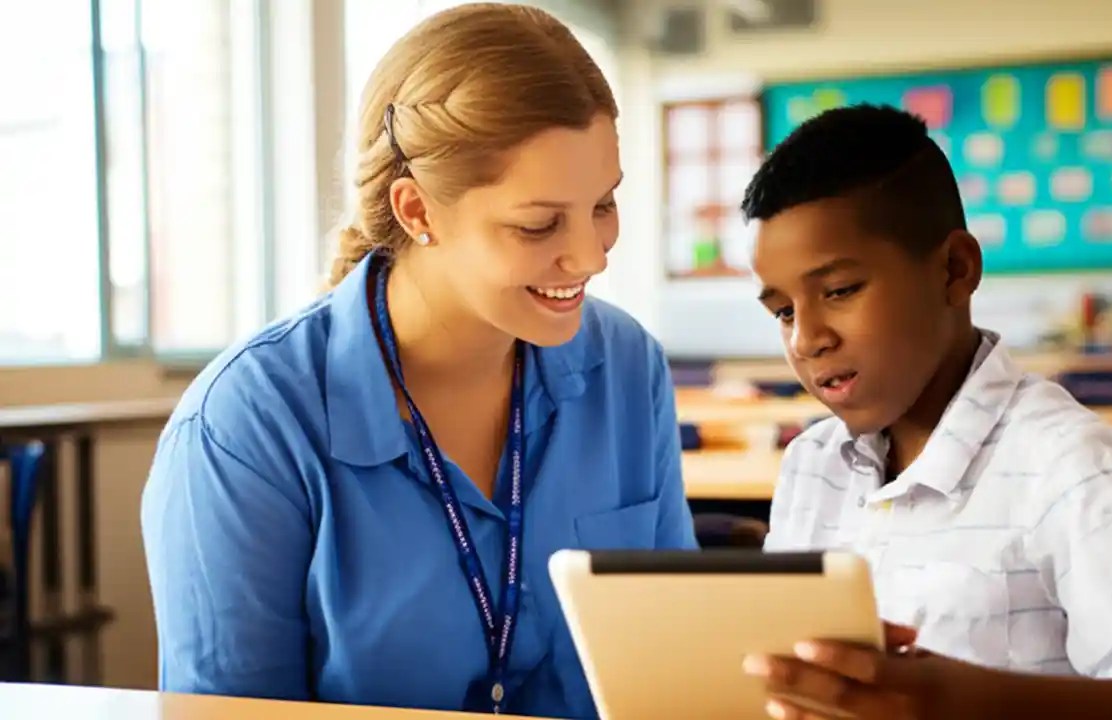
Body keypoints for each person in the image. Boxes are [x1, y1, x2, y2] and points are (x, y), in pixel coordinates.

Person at [140, 5, 695, 718]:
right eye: (538, 223)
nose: (590, 256)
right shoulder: (246, 426)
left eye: (604, 205)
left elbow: (671, 675)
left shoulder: (627, 368)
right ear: (417, 211)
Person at [738, 105, 1112, 719]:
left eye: (838, 291)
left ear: (955, 269)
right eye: (783, 311)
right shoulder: (810, 466)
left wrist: (957, 702)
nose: (806, 339)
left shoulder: (1068, 465)